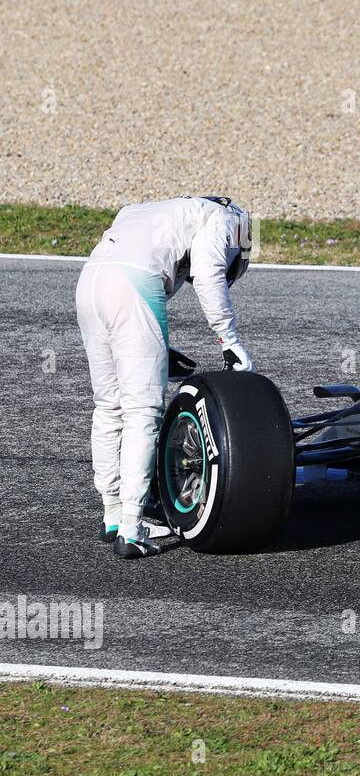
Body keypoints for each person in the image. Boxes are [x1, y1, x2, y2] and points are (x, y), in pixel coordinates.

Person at [75, 196, 255, 559]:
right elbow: (207, 275)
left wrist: (156, 350)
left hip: (89, 282)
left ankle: (112, 514)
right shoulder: (221, 219)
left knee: (108, 406)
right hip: (132, 287)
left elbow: (139, 267)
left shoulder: (146, 210)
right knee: (143, 411)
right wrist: (230, 343)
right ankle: (131, 526)